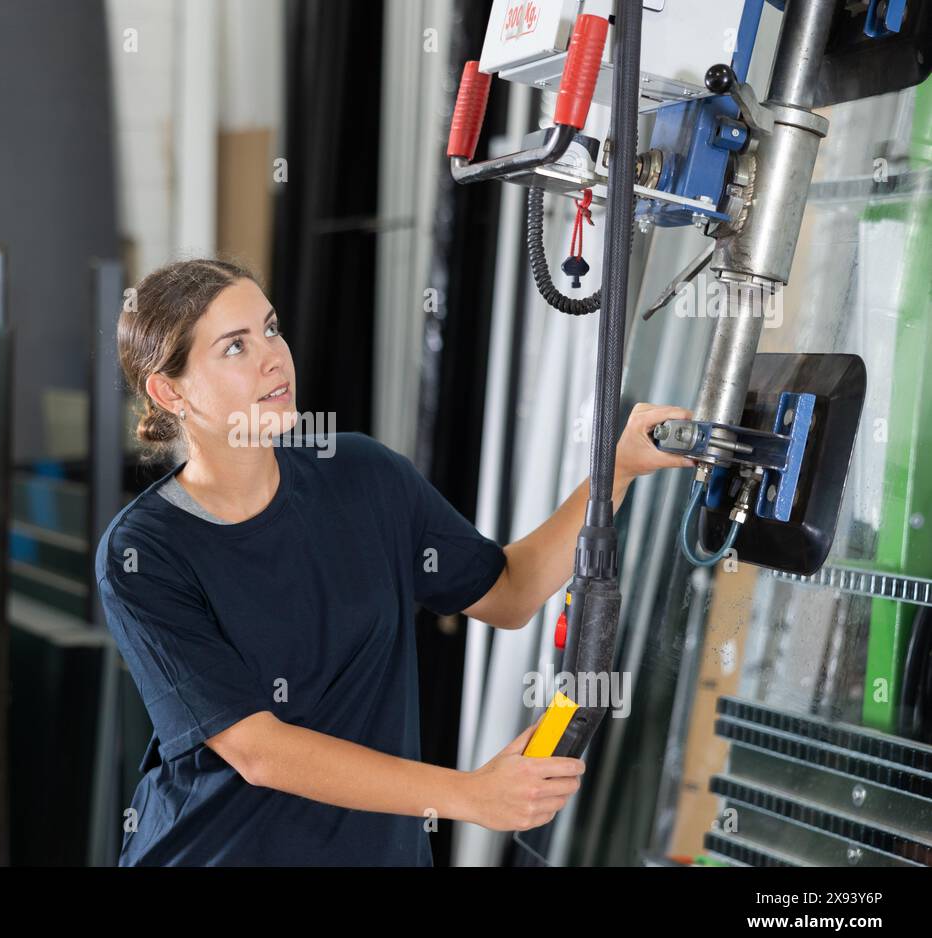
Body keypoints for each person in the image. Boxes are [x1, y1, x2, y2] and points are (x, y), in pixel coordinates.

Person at [94, 256, 690, 865]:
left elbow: (510, 591)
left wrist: (615, 471)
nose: (273, 357)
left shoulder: (360, 476)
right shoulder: (145, 551)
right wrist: (471, 795)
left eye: (271, 329)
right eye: (234, 347)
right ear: (171, 392)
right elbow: (258, 749)